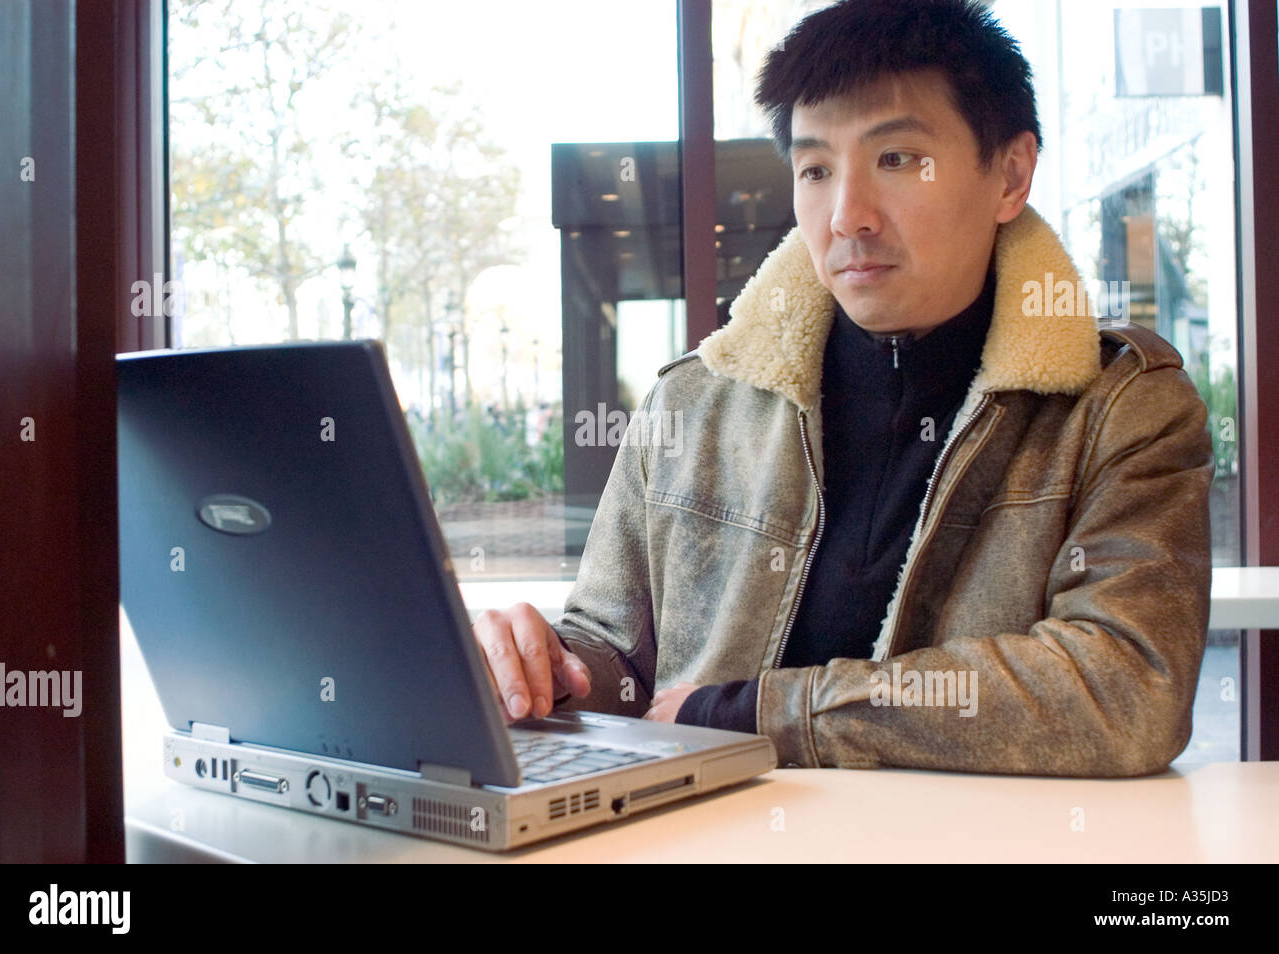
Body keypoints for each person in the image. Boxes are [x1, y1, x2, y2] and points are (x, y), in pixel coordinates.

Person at [472, 0, 1214, 776]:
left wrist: (763, 714)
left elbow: (1126, 687)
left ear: (1011, 173)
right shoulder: (693, 405)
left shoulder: (1119, 407)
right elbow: (620, 659)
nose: (846, 217)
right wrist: (539, 668)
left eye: (896, 159)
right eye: (816, 169)